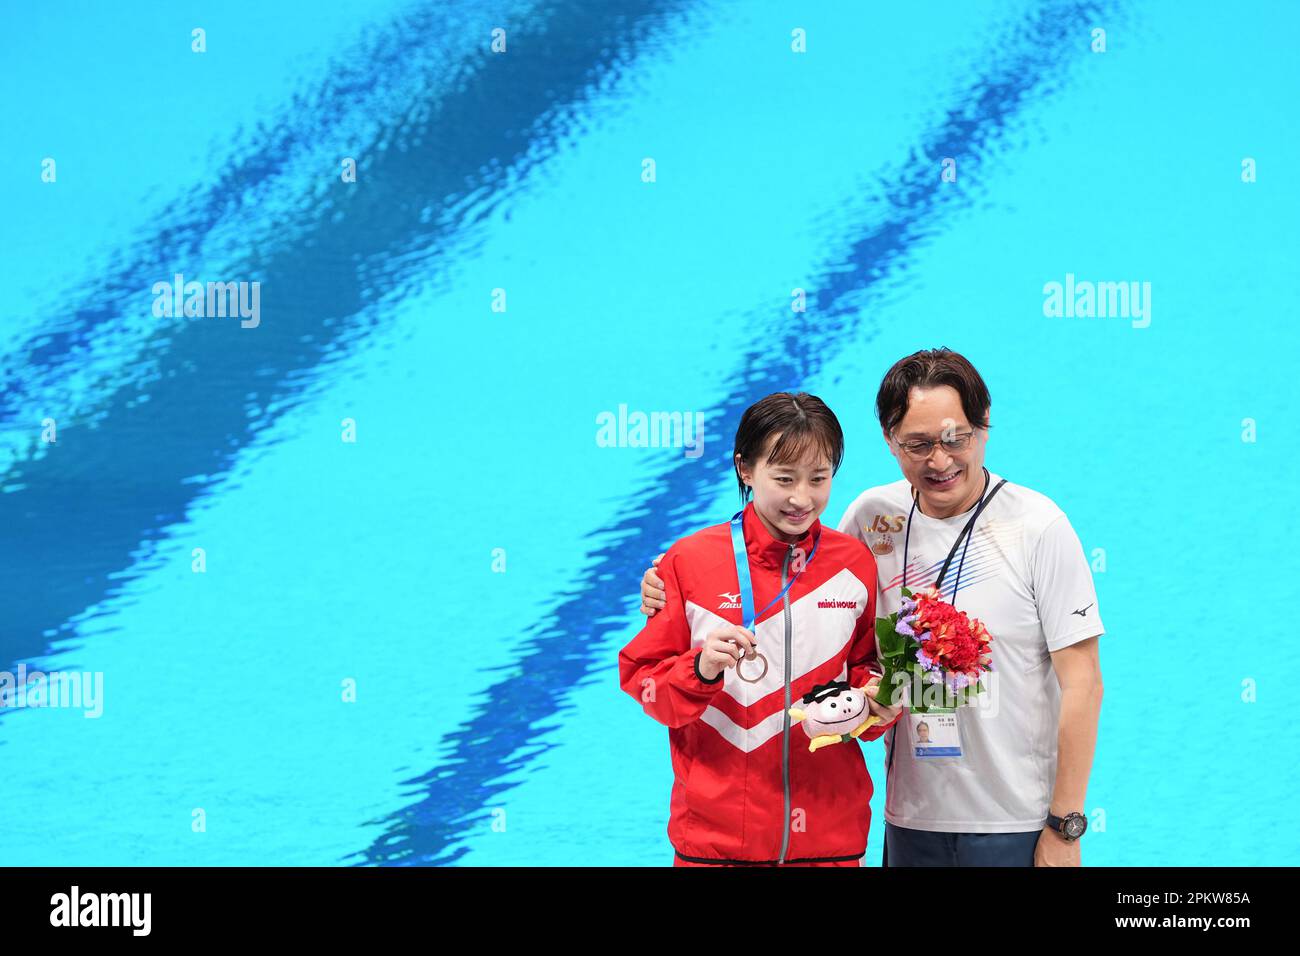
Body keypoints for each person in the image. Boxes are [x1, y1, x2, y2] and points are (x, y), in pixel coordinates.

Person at [640, 349, 1105, 867]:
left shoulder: (1039, 527)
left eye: (955, 439)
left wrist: (1066, 825)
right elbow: (805, 599)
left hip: (1012, 820)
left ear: (984, 427)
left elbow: (1083, 682)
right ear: (889, 440)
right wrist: (675, 580)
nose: (940, 459)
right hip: (907, 818)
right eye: (918, 443)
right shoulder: (870, 519)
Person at [618, 392, 903, 866]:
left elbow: (865, 668)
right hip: (717, 843)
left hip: (829, 840)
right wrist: (702, 668)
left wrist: (876, 698)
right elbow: (645, 682)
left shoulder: (852, 564)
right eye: (784, 478)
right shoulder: (689, 561)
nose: (802, 498)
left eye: (819, 478)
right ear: (745, 470)